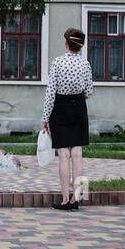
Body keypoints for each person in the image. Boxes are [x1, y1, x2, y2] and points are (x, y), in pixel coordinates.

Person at [42, 27, 93, 210]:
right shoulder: (85, 64)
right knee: (78, 154)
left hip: (60, 107)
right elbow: (89, 91)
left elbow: (50, 92)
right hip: (79, 107)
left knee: (63, 154)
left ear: (66, 43)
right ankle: (78, 198)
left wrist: (45, 117)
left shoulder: (57, 62)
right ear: (80, 46)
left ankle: (64, 200)